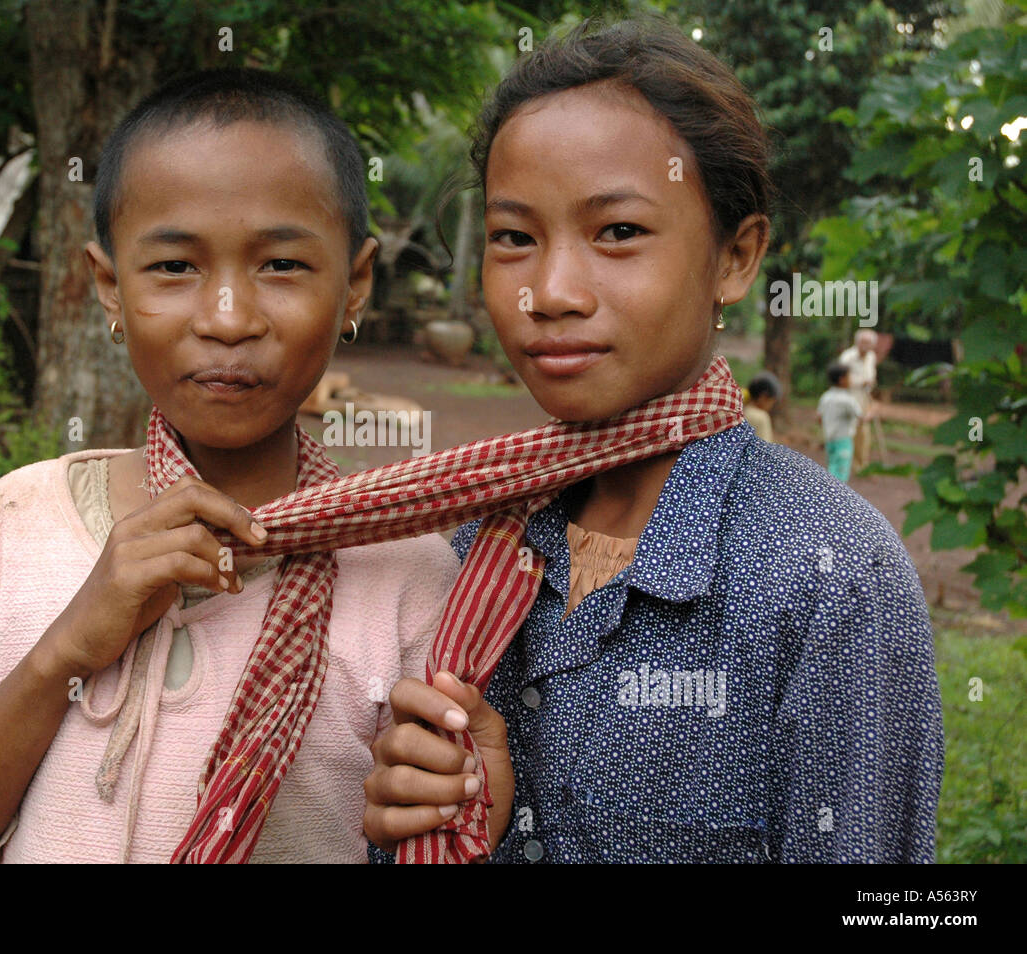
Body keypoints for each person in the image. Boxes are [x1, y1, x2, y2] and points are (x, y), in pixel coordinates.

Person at [362, 15, 942, 862]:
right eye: (514, 238)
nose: (551, 291)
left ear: (735, 258)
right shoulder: (460, 555)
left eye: (619, 232)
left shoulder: (829, 579)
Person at [0, 69, 461, 863]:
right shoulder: (20, 520)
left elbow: (425, 831)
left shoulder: (406, 572)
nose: (228, 319)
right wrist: (63, 651)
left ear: (356, 286)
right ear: (109, 286)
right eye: (175, 268)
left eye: (282, 265)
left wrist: (453, 799)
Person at [818, 362, 863, 483]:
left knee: (832, 467)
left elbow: (819, 417)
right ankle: (834, 498)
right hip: (843, 440)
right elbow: (861, 417)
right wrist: (874, 411)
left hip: (829, 439)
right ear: (842, 379)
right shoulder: (847, 400)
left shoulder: (825, 397)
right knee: (840, 475)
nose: (851, 380)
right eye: (849, 377)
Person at [838, 329, 878, 468]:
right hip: (848, 400)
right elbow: (841, 379)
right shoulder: (847, 357)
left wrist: (870, 384)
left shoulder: (871, 357)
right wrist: (862, 382)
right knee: (849, 432)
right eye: (863, 342)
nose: (865, 345)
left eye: (868, 342)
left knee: (864, 434)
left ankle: (862, 464)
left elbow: (871, 377)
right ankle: (850, 464)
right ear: (857, 342)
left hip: (864, 400)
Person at [743, 370, 780, 443]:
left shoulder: (742, 410)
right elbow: (765, 449)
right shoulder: (761, 417)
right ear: (763, 397)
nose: (772, 405)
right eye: (772, 401)